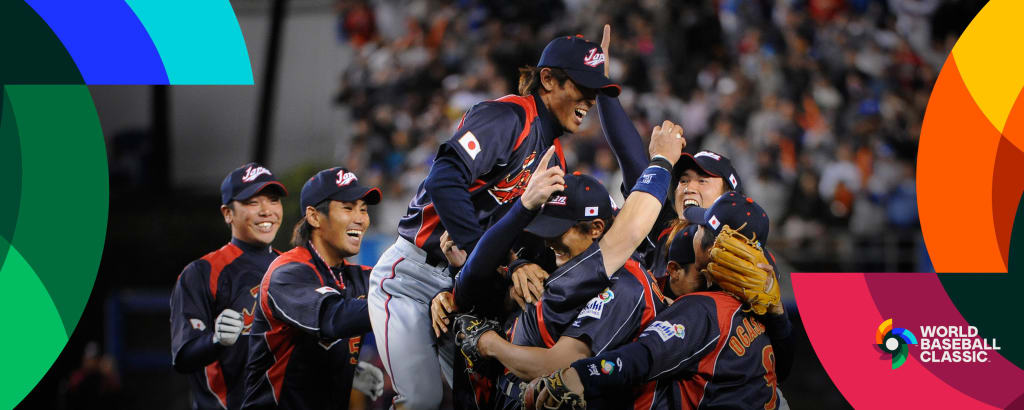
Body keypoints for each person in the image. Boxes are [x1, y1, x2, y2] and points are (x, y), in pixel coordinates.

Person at [367, 33, 621, 409]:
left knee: (496, 397)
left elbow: (527, 239)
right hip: (413, 275)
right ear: (548, 79)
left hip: (464, 290)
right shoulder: (508, 117)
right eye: (582, 86)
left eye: (596, 90)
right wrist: (487, 258)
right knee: (422, 398)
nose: (590, 99)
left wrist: (515, 263)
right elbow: (444, 177)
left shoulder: (554, 160)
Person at [437, 120, 685, 408]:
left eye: (559, 230)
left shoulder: (622, 282)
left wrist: (488, 343)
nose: (549, 241)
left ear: (595, 228)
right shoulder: (556, 263)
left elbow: (553, 364)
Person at [525, 194, 789, 409]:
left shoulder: (704, 309)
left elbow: (641, 358)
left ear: (713, 247)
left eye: (699, 229)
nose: (693, 231)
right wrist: (778, 315)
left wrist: (582, 374)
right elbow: (784, 368)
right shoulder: (760, 305)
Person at [241, 167, 385, 410]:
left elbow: (405, 288)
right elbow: (333, 318)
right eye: (348, 208)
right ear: (314, 216)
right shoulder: (287, 273)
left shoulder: (359, 276)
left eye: (363, 209)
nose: (360, 218)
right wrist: (398, 301)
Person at [170, 163, 288, 410]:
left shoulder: (294, 269)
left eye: (273, 200)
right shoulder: (202, 272)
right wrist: (216, 340)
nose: (267, 210)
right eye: (253, 202)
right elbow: (184, 356)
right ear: (227, 213)